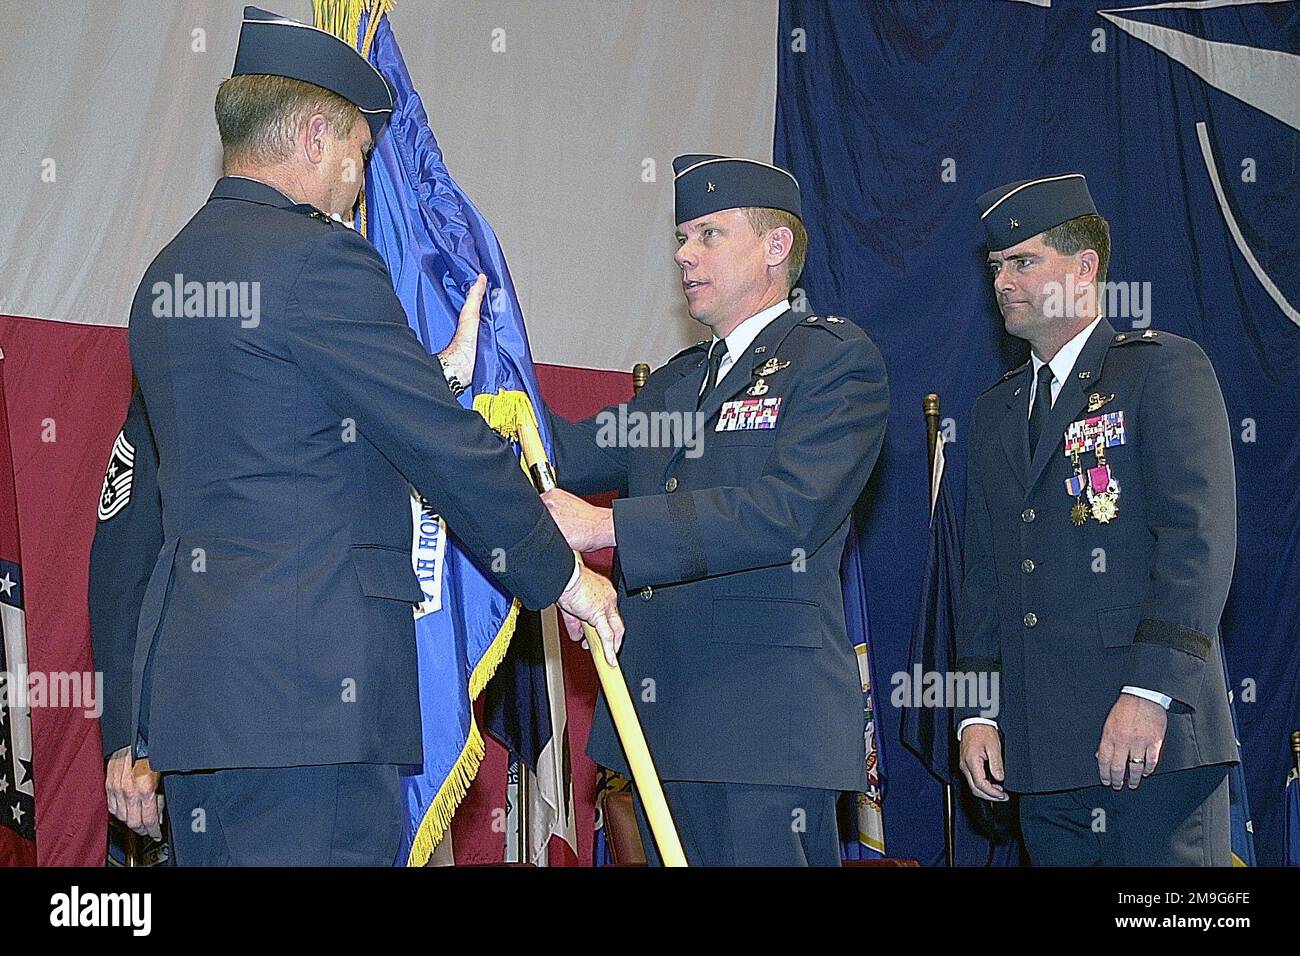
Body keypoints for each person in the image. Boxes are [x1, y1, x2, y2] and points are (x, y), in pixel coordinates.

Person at [121, 5, 621, 866]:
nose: (359, 181)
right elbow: (447, 452)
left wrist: (439, 377)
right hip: (314, 714)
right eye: (357, 152)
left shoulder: (164, 276)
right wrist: (563, 579)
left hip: (202, 717)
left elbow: (289, 434)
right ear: (315, 135)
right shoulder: (322, 261)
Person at [537, 154, 890, 865]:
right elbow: (564, 452)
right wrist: (476, 376)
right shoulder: (677, 383)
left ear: (775, 246)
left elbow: (786, 511)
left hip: (765, 730)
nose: (682, 253)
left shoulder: (834, 362)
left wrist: (605, 527)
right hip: (663, 723)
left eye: (707, 234)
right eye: (681, 236)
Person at [955, 173, 1238, 865]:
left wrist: (1149, 692)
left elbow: (1196, 542)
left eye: (1023, 262)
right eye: (997, 267)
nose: (1002, 281)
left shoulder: (1159, 370)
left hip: (1151, 738)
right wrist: (977, 710)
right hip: (1041, 750)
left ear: (1084, 269)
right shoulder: (996, 411)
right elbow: (985, 577)